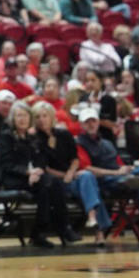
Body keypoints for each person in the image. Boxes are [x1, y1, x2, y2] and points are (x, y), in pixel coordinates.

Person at [76, 107, 139, 246]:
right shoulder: (79, 143)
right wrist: (117, 173)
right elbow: (87, 169)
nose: (91, 124)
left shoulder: (107, 143)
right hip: (104, 181)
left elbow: (119, 164)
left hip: (120, 176)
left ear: (98, 122)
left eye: (93, 121)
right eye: (87, 122)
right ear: (81, 125)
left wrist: (126, 169)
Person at [0, 101, 77, 248]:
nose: (23, 119)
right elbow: (7, 165)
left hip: (34, 178)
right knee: (46, 185)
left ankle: (55, 228)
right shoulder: (6, 137)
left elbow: (40, 159)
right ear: (13, 119)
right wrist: (29, 172)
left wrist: (38, 170)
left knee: (52, 184)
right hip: (13, 178)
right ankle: (52, 229)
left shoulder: (32, 137)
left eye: (26, 116)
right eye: (19, 116)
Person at [33, 102, 109, 247]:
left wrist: (71, 173)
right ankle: (98, 230)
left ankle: (93, 218)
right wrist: (65, 176)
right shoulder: (36, 140)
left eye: (45, 116)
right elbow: (44, 167)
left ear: (51, 117)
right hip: (55, 182)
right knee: (91, 186)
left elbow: (75, 158)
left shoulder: (64, 134)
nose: (42, 119)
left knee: (87, 177)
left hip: (72, 177)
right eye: (38, 117)